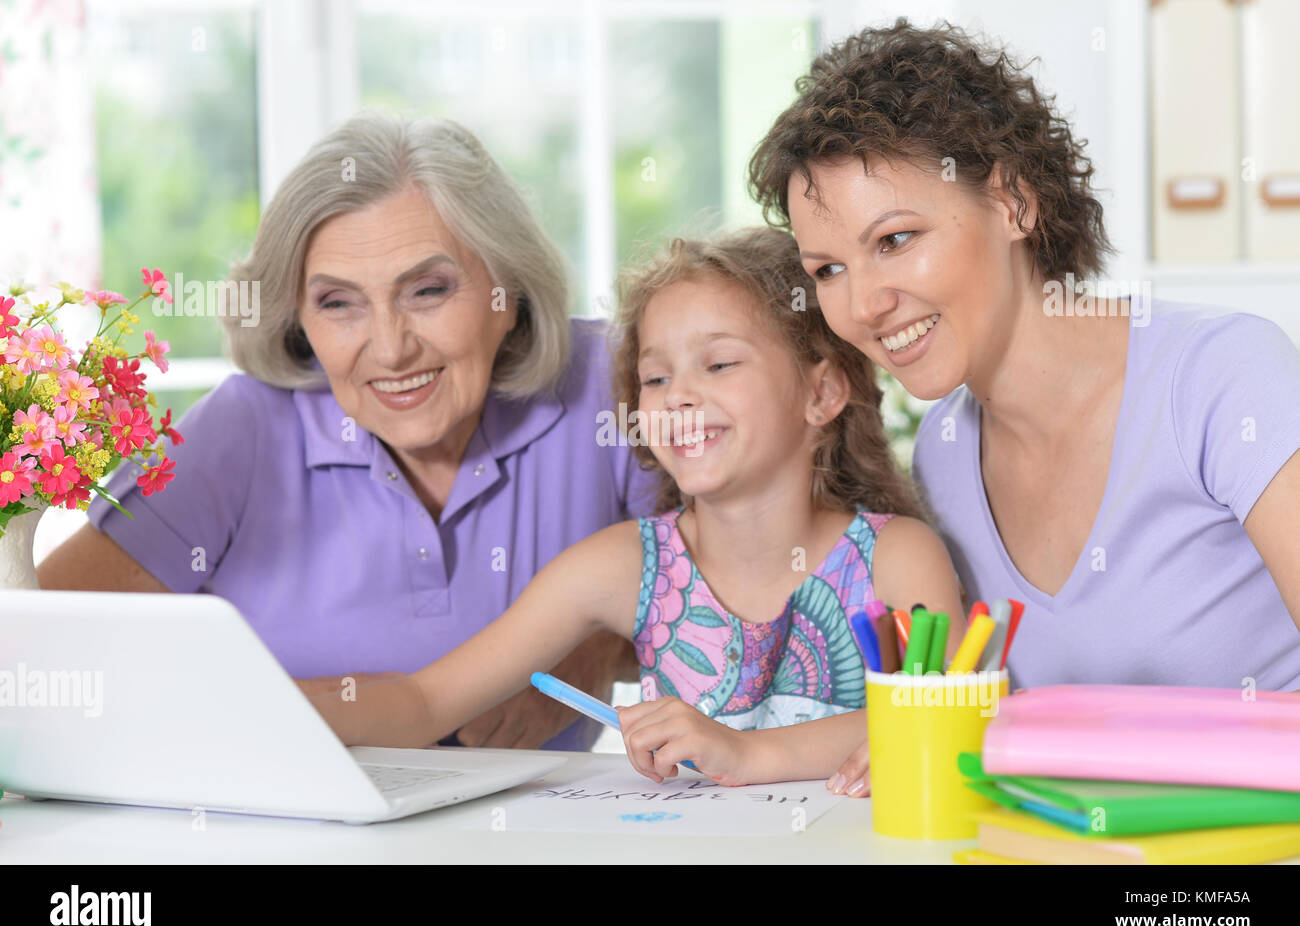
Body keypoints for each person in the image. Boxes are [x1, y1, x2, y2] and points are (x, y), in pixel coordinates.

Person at [37, 112, 658, 753]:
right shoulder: (242, 428)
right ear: (298, 317)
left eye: (428, 290)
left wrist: (595, 646)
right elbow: (43, 647)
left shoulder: (610, 387)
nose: (390, 350)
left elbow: (731, 606)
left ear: (510, 288)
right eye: (338, 302)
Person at [747, 16, 1300, 729]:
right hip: (1068, 841)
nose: (864, 305)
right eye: (828, 270)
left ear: (1013, 201)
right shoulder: (946, 452)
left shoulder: (1224, 375)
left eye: (895, 239)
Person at [300, 227, 964, 789]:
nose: (678, 396)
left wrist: (748, 752)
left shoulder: (897, 557)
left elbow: (957, 716)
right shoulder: (625, 565)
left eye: (720, 364)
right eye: (655, 377)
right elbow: (425, 701)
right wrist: (264, 707)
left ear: (821, 393)